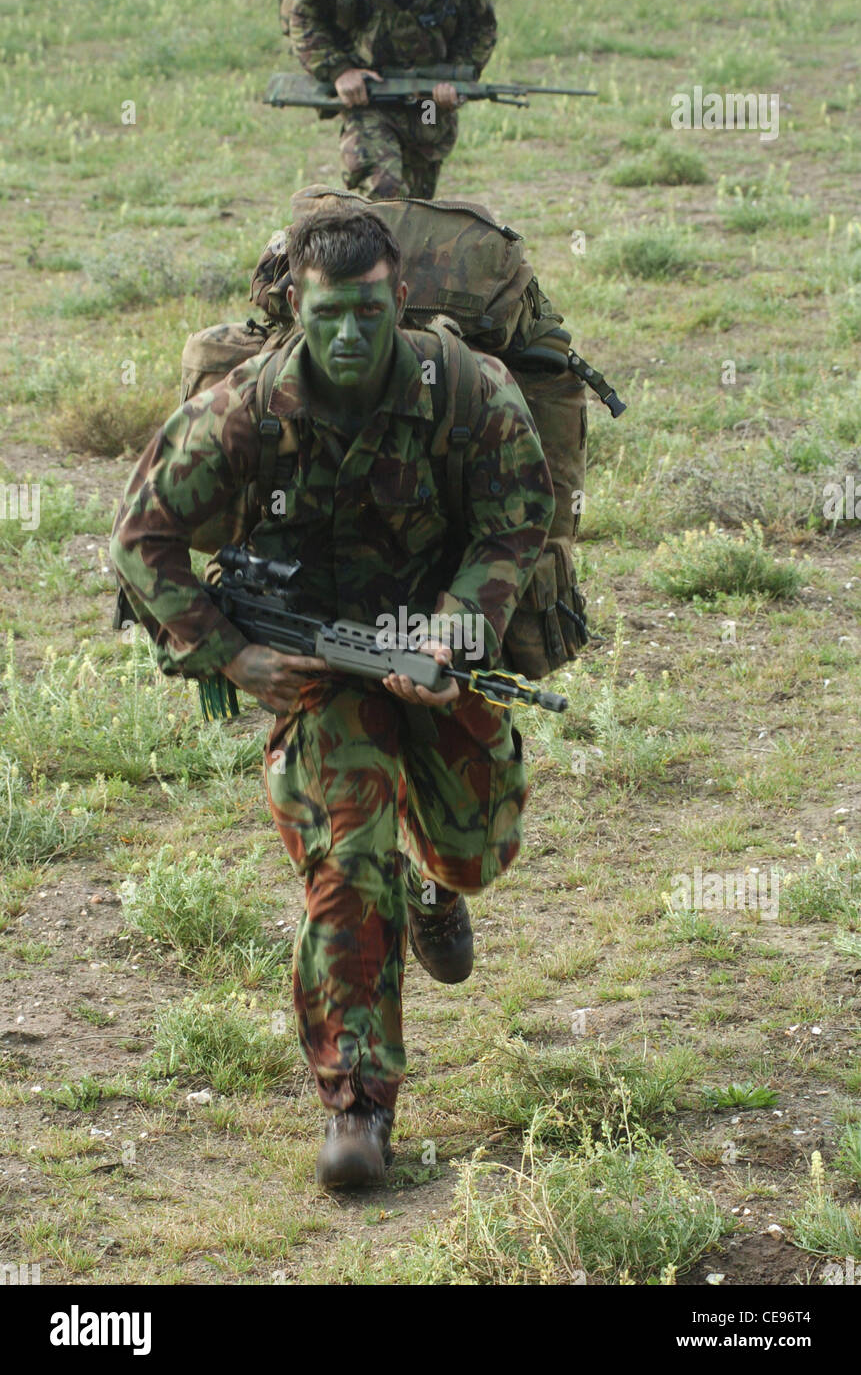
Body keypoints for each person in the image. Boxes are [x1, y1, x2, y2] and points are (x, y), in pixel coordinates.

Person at [110, 208, 553, 1188]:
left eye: (365, 311)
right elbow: (139, 537)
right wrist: (232, 656)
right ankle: (358, 1107)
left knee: (478, 845)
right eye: (327, 314)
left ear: (397, 299)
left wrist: (459, 623)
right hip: (315, 670)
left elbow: (518, 519)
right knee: (350, 867)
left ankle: (440, 886)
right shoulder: (245, 407)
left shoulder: (468, 391)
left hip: (433, 650)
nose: (348, 334)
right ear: (300, 308)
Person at [284, 0, 497, 198]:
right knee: (383, 189)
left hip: (428, 103)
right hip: (369, 97)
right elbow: (305, 16)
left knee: (419, 201)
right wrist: (340, 70)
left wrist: (455, 79)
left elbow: (481, 27)